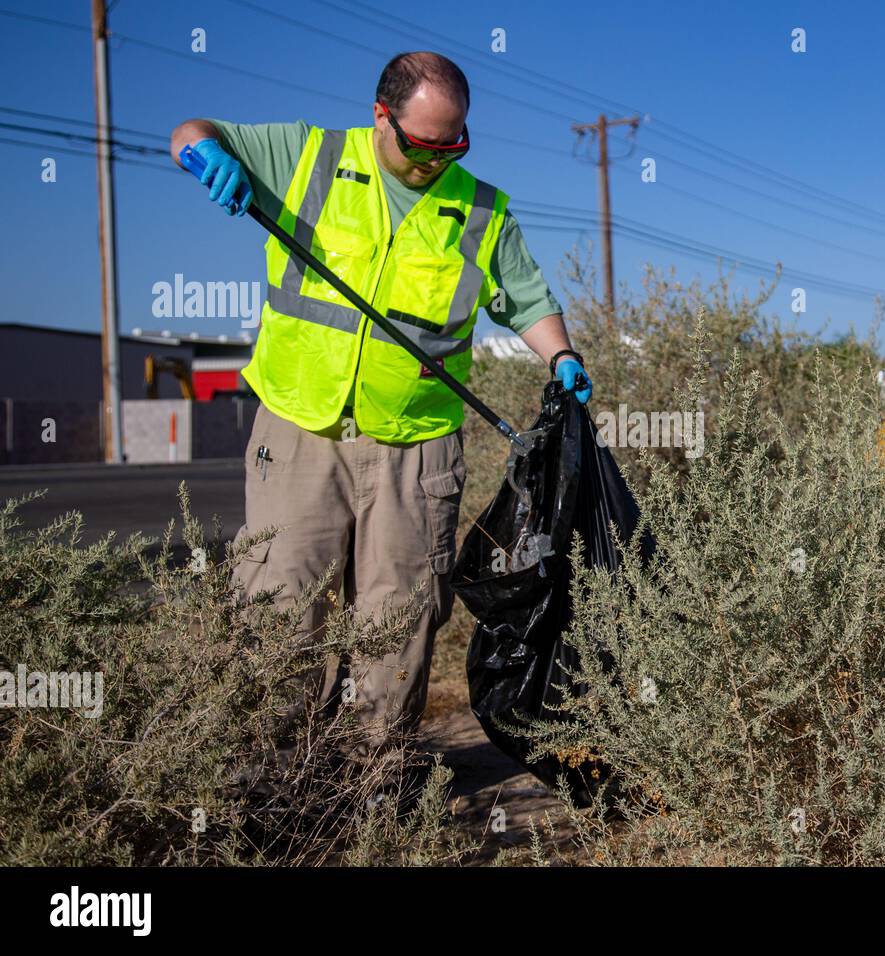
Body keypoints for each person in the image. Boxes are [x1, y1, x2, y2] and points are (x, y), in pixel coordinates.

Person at [169, 51, 592, 763]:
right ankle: (275, 790)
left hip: (418, 451)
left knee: (397, 627)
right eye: (422, 143)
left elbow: (525, 298)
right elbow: (190, 129)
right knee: (281, 617)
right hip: (300, 433)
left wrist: (562, 356)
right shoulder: (310, 155)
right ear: (380, 115)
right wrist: (205, 154)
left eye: (452, 144)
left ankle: (374, 796)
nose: (435, 159)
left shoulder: (480, 208)